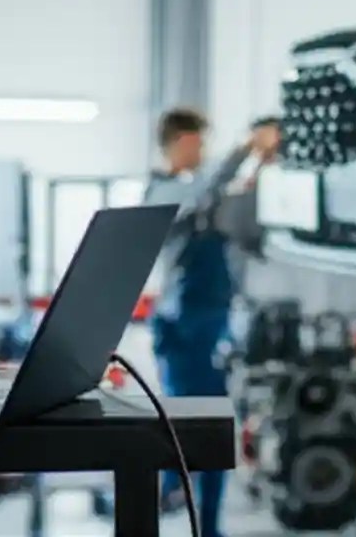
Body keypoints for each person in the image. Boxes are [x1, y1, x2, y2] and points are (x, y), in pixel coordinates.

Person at [140, 107, 271, 537]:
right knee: (191, 426)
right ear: (176, 142)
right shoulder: (162, 190)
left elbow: (225, 205)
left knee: (210, 428)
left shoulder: (200, 189)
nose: (201, 151)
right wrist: (245, 147)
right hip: (184, 328)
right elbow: (202, 193)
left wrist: (260, 167)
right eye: (196, 142)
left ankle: (202, 518)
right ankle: (174, 501)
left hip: (211, 322)